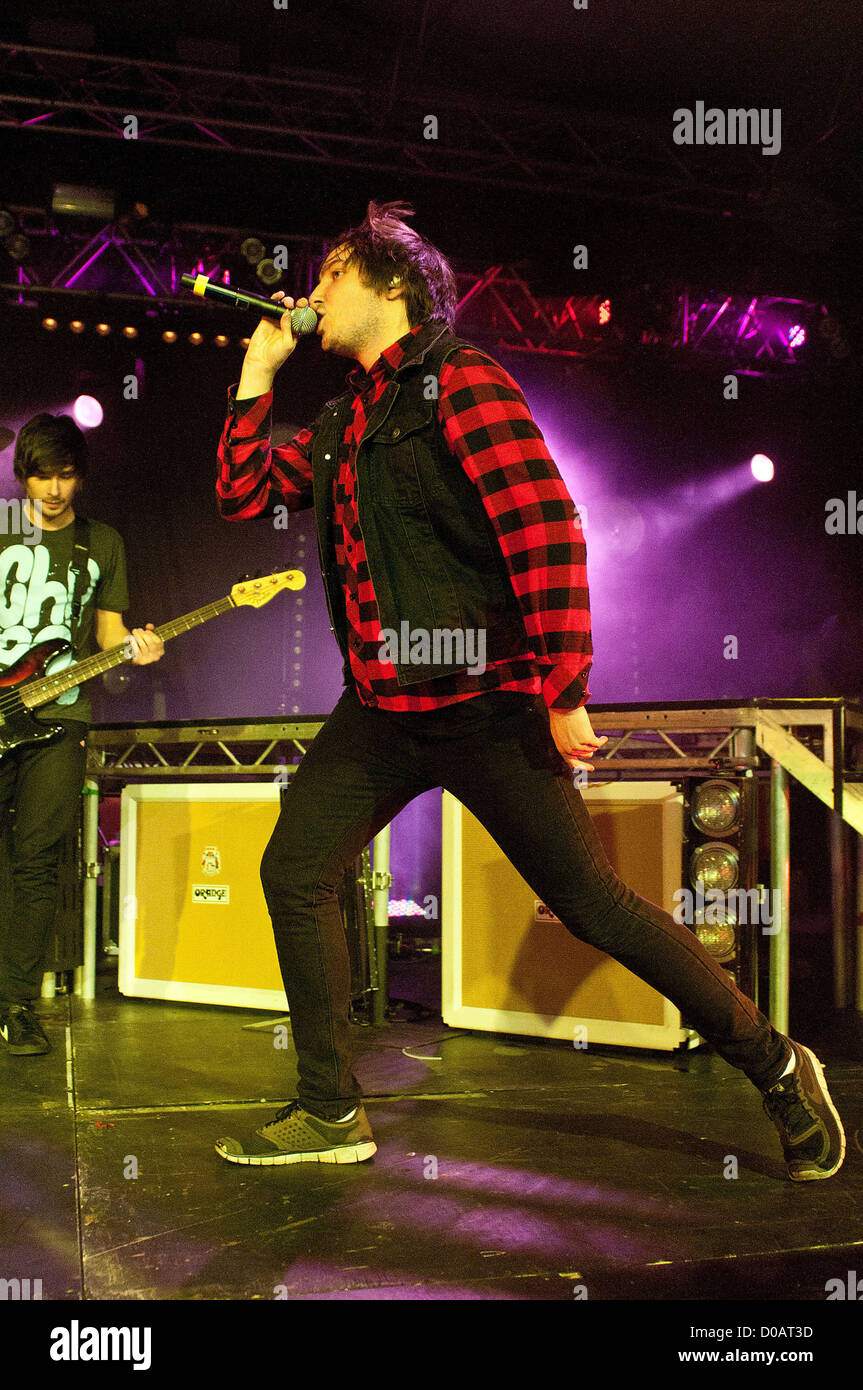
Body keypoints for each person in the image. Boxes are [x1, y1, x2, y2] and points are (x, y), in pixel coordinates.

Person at [213, 201, 844, 1181]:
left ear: (388, 286)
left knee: (590, 905)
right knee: (293, 869)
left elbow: (544, 530)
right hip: (382, 709)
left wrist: (563, 685)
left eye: (330, 275)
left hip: (485, 703)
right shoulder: (342, 417)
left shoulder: (462, 382)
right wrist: (255, 380)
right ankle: (330, 1111)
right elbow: (244, 492)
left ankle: (772, 1063)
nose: (311, 293)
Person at [0, 413, 164, 1055]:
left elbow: (107, 639)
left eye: (65, 475)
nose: (53, 490)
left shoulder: (103, 542)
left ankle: (15, 1004)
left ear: (81, 477)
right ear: (21, 476)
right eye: (41, 475)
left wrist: (135, 652)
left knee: (38, 861)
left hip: (61, 716)